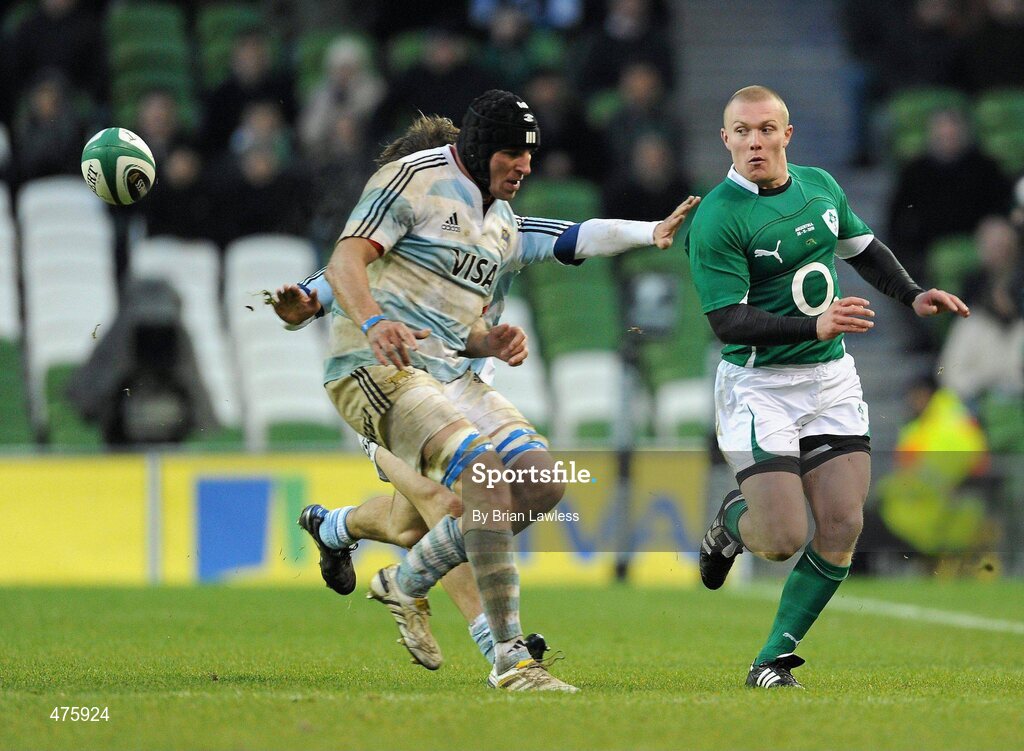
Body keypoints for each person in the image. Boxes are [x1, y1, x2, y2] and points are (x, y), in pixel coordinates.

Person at [302, 91, 696, 691]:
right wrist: (306, 304)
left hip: (457, 382)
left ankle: (344, 535)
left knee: (430, 520)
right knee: (458, 502)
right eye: (509, 154)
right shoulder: (402, 209)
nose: (522, 167)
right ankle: (502, 648)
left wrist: (649, 232)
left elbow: (573, 236)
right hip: (388, 380)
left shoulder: (499, 223)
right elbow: (329, 279)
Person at [687, 85, 969, 689]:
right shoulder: (716, 216)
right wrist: (812, 325)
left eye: (766, 129)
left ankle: (771, 660)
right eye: (742, 131)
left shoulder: (820, 187)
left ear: (786, 134)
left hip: (830, 378)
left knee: (842, 526)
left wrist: (912, 293)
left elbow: (864, 250)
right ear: (726, 139)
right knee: (781, 538)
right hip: (759, 386)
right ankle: (730, 524)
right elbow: (727, 321)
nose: (755, 142)